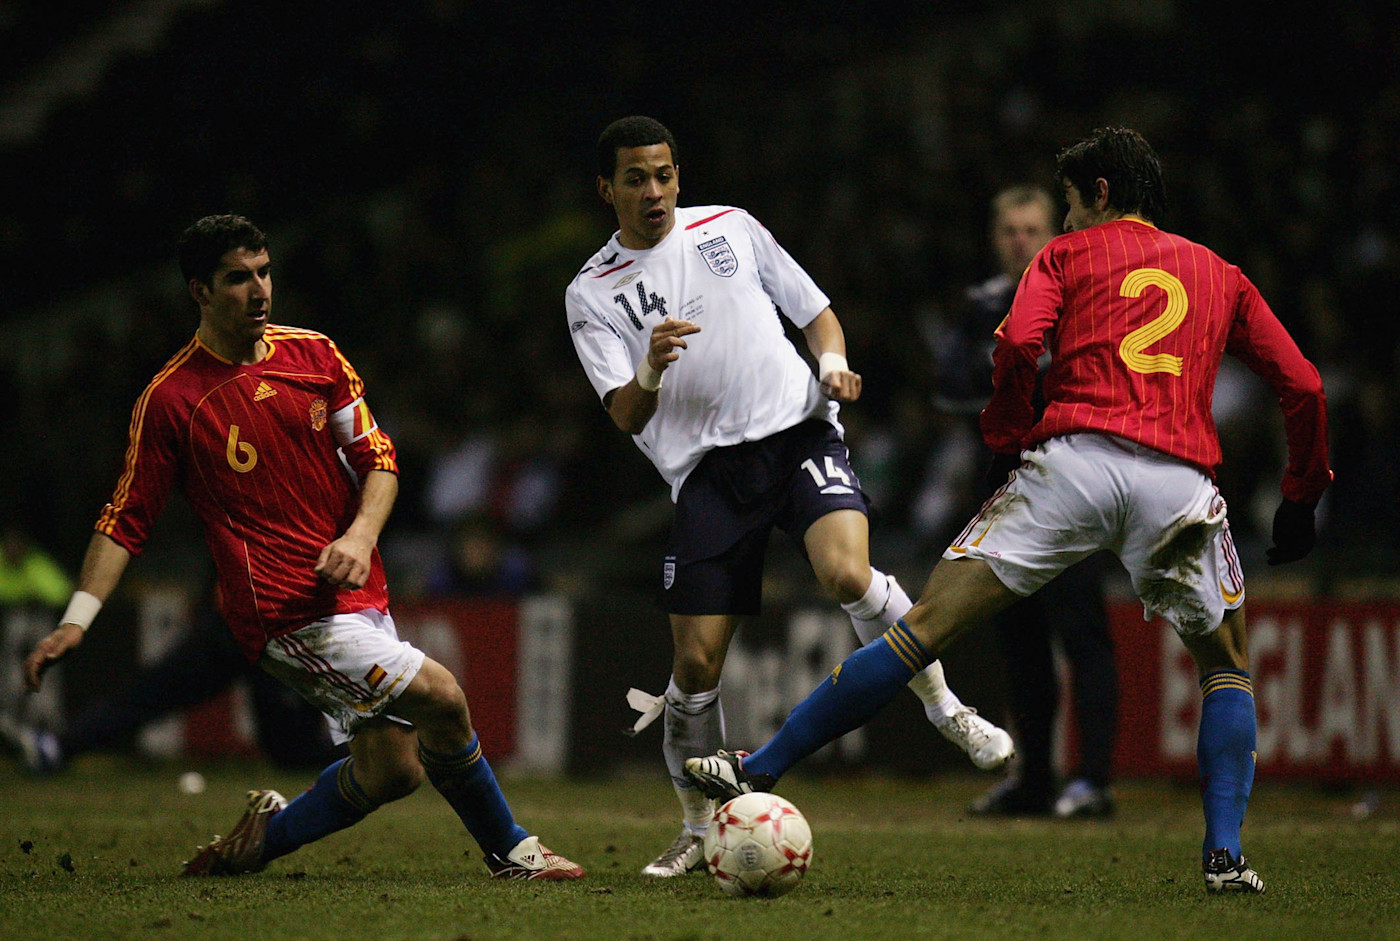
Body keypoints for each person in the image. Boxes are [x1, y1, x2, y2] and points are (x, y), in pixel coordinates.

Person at [685, 127, 1331, 895]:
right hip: (1180, 479)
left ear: (1097, 194)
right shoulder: (1221, 273)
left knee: (922, 626)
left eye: (1065, 205)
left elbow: (1020, 342)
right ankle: (1224, 856)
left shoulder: (1064, 257)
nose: (1060, 225)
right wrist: (1301, 495)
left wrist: (1008, 433)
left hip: (1075, 462)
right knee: (1225, 666)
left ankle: (757, 765)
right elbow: (1304, 385)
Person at [22, 214, 583, 881]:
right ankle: (511, 850)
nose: (259, 289)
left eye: (263, 271)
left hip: (356, 590)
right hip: (284, 615)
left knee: (391, 769)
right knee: (442, 694)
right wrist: (76, 619)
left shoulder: (315, 355)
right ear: (200, 290)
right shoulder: (173, 399)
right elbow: (125, 518)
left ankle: (260, 841)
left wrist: (359, 533)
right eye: (238, 278)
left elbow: (378, 458)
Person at [566, 116, 1012, 879]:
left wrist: (833, 364)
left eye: (665, 174)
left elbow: (815, 312)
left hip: (798, 431)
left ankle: (947, 707)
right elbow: (621, 413)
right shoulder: (591, 291)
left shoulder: (730, 227)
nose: (654, 192)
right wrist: (648, 368)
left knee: (846, 573)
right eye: (636, 178)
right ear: (606, 189)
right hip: (707, 473)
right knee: (696, 664)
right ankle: (697, 826)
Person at [933, 187, 1119, 819]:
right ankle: (1035, 779)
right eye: (1009, 230)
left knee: (1082, 632)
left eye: (1030, 228)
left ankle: (1092, 779)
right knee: (1021, 638)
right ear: (995, 237)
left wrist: (1012, 380)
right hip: (1003, 492)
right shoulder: (980, 303)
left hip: (1071, 488)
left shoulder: (1080, 293)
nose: (1020, 240)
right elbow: (952, 388)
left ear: (1053, 232)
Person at [7, 583, 345, 775]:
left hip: (281, 628)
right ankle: (57, 748)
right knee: (150, 692)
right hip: (233, 625)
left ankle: (371, 758)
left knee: (292, 749)